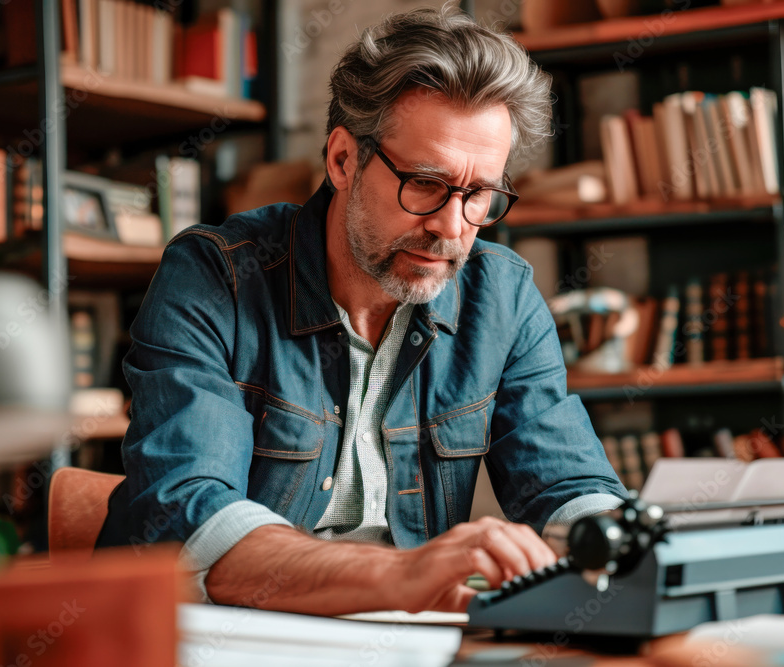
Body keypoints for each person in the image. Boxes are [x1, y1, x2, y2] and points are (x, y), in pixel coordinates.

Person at [97, 6, 625, 614]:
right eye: (424, 183)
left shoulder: (502, 297)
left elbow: (565, 481)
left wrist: (615, 541)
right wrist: (402, 574)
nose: (452, 227)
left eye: (479, 193)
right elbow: (188, 519)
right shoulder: (214, 278)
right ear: (343, 159)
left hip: (408, 637)